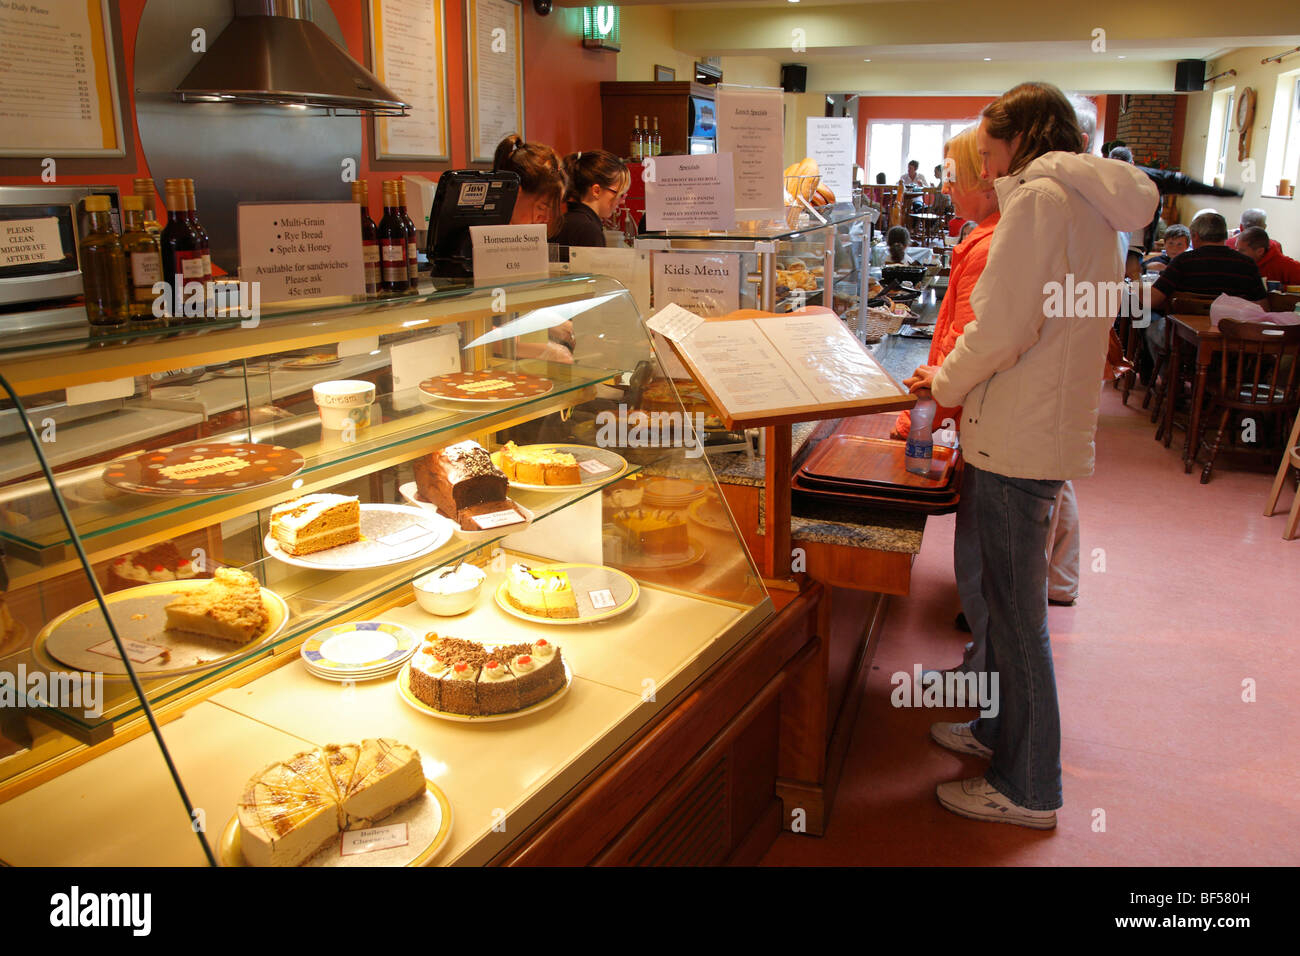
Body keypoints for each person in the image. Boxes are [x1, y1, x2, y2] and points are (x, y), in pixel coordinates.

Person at [905, 81, 1158, 829]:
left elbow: (1001, 327)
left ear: (1023, 141)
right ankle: (993, 733)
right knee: (1009, 613)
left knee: (1016, 620)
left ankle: (1030, 788)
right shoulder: (1088, 203)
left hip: (1019, 434)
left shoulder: (1041, 203)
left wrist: (941, 383)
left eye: (988, 154)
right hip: (1034, 424)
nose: (982, 172)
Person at [889, 129, 1001, 673]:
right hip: (980, 419)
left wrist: (923, 418)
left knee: (984, 570)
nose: (945, 188)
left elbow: (966, 345)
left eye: (951, 175)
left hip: (989, 428)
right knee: (983, 568)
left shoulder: (990, 245)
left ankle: (985, 696)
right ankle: (982, 680)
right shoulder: (987, 236)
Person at [1145, 211, 1268, 362]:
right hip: (1232, 338)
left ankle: (1170, 380)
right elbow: (1262, 308)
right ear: (1225, 236)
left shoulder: (1183, 261)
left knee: (1149, 327)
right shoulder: (1247, 264)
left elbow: (1151, 300)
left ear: (1195, 236)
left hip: (1184, 338)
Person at [1108, 146, 1241, 252]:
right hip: (1116, 234)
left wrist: (1226, 193)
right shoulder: (1146, 176)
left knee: (1131, 272)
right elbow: (1185, 184)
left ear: (1132, 165)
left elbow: (1185, 184)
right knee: (1129, 272)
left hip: (1133, 236)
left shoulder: (1147, 177)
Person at [552, 150, 629, 248]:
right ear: (596, 191)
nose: (623, 201)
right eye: (620, 194)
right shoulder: (588, 231)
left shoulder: (563, 222)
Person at [494, 135, 567, 235]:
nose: (546, 218)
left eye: (553, 208)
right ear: (514, 193)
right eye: (541, 208)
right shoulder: (481, 239)